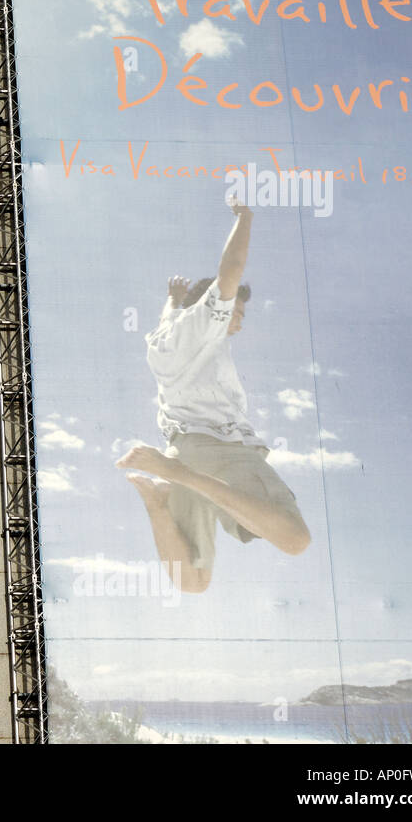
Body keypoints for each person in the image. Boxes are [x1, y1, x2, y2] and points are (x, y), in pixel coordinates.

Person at [115, 200, 311, 593]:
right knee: (294, 537)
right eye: (235, 311)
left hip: (183, 448)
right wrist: (245, 217)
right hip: (220, 449)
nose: (237, 320)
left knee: (193, 580)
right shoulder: (207, 323)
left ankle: (158, 501)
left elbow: (169, 314)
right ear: (212, 307)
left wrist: (173, 296)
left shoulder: (164, 338)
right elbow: (231, 271)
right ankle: (176, 478)